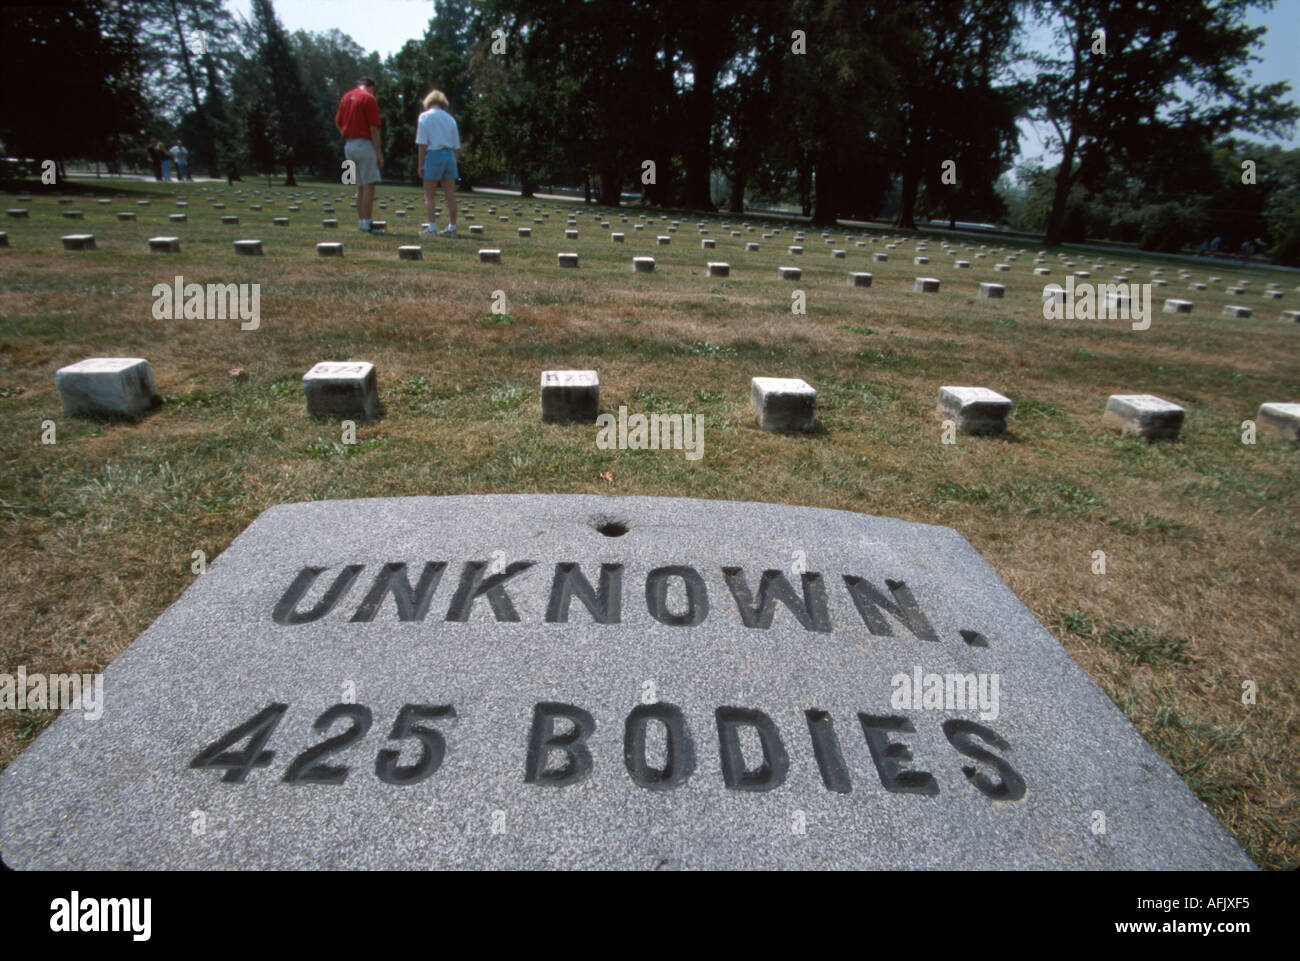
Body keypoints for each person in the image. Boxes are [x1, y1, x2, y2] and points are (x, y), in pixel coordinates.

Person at [334, 76, 383, 231]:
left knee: (359, 187)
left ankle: (362, 222)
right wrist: (379, 153)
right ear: (370, 87)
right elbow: (373, 128)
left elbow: (338, 122)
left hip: (349, 145)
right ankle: (367, 222)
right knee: (369, 186)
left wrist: (346, 135)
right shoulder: (369, 99)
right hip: (364, 144)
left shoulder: (345, 97)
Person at [415, 89, 461, 237]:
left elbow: (422, 143)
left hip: (434, 154)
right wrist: (454, 162)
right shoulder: (450, 119)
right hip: (449, 156)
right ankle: (452, 227)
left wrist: (420, 164)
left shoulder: (424, 117)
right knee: (450, 194)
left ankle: (432, 227)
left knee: (429, 194)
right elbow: (456, 146)